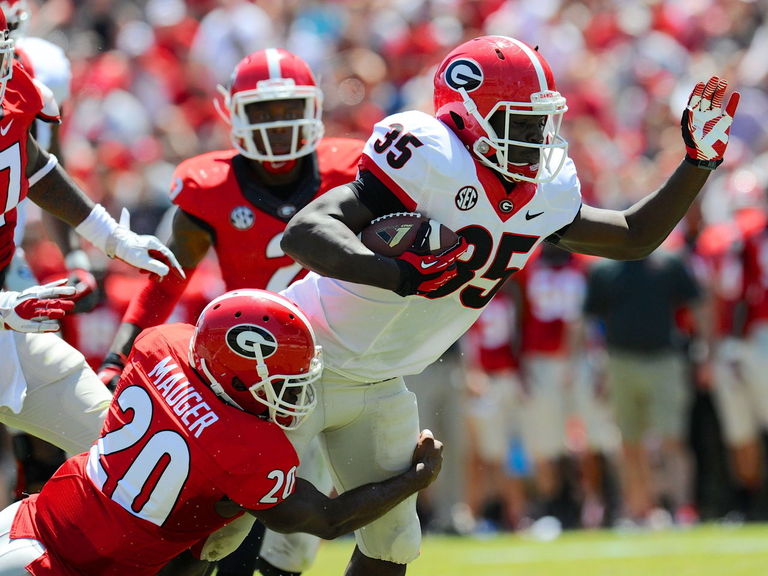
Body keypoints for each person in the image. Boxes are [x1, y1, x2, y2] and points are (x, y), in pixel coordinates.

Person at [275, 35, 739, 574]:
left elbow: (635, 235)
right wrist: (397, 273)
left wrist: (698, 163)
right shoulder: (428, 156)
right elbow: (305, 231)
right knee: (236, 525)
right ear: (466, 115)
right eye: (519, 123)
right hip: (297, 357)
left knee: (394, 545)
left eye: (540, 123)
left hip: (380, 381)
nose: (536, 138)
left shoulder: (543, 191)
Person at [99, 48, 363, 576]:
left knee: (296, 541)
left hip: (341, 363)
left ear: (313, 108)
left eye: (287, 108)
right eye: (262, 111)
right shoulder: (210, 187)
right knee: (222, 524)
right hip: (251, 375)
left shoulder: (352, 169)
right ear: (233, 114)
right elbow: (168, 277)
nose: (278, 125)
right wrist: (115, 355)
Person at [0, 289, 443, 575]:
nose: (295, 395)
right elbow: (327, 520)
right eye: (286, 383)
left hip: (28, 520)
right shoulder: (247, 448)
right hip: (59, 568)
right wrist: (413, 481)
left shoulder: (161, 343)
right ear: (236, 377)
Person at [0, 2, 182, 475]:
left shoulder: (14, 94)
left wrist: (112, 238)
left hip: (7, 315)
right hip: (5, 309)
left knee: (121, 450)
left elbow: (35, 165)